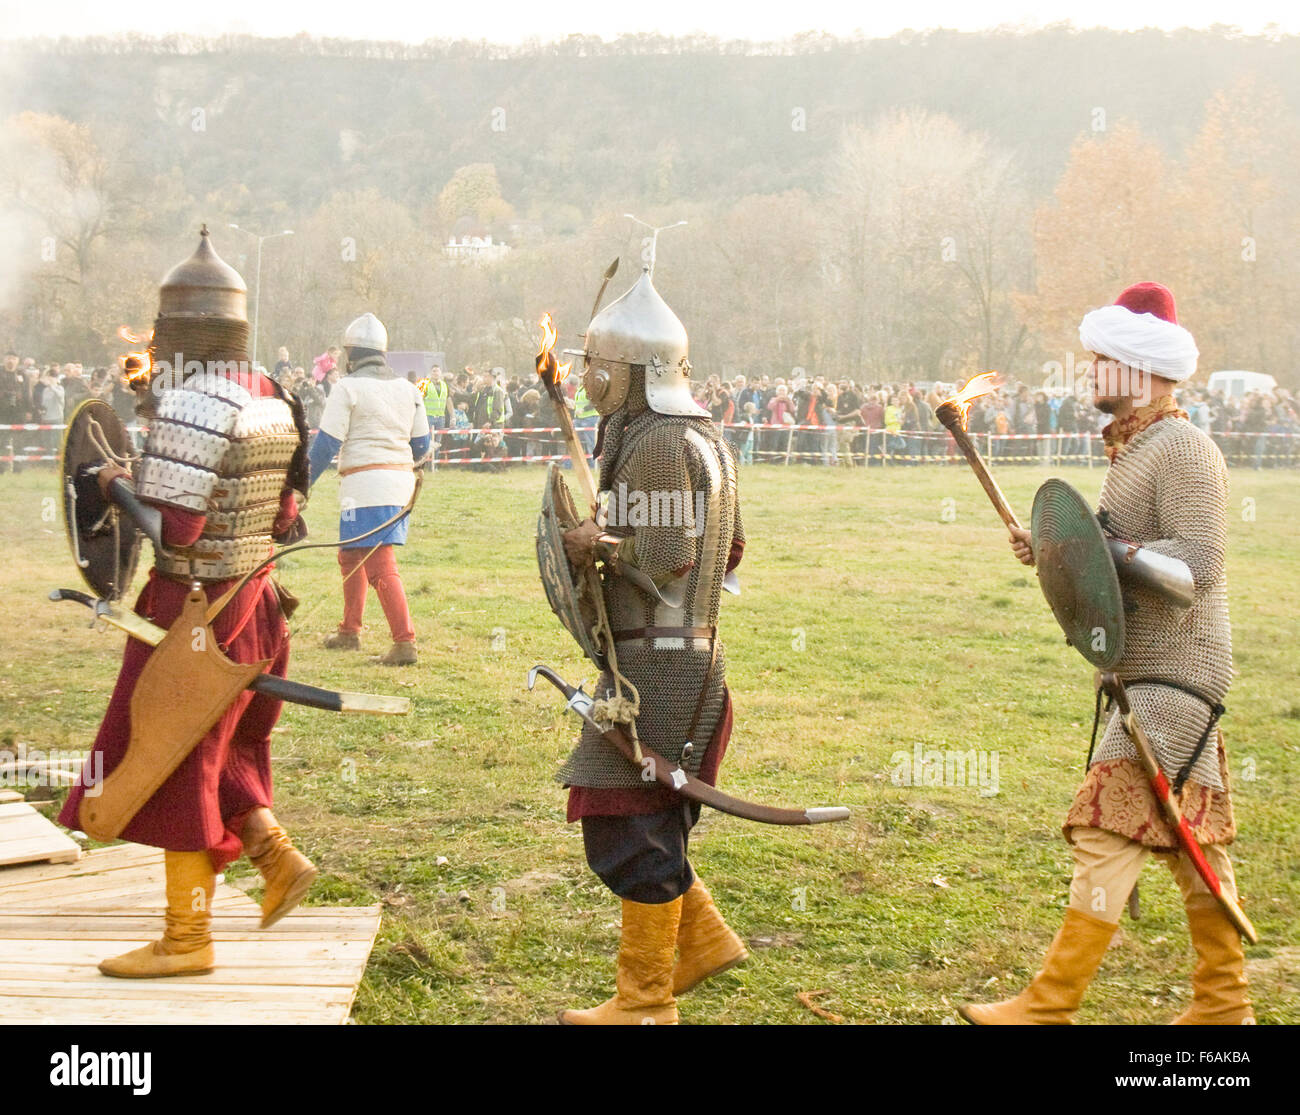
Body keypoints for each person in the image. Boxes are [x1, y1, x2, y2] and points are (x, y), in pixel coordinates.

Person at [962, 282, 1251, 1026]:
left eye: (1101, 360)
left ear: (1138, 365)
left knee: (1103, 824)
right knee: (1194, 844)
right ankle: (1224, 1005)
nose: (1088, 372)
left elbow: (1197, 564)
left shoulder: (1182, 447)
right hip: (1151, 668)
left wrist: (1102, 545)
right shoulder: (1138, 450)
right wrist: (1061, 550)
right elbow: (1112, 569)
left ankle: (1049, 1006)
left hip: (1178, 674)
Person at [58, 227, 316, 977]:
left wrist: (112, 485)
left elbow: (175, 528)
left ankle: (186, 937)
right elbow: (286, 510)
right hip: (257, 598)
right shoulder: (272, 393)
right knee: (220, 747)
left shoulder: (196, 403)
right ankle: (274, 858)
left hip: (193, 609)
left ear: (180, 330)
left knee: (165, 757)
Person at [557, 267, 748, 1025]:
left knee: (627, 819)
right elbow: (726, 550)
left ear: (632, 370)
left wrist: (591, 545)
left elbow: (670, 551)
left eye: (597, 363)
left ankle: (645, 1002)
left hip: (665, 665)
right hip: (671, 656)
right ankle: (699, 942)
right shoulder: (688, 434)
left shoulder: (666, 440)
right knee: (637, 816)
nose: (587, 376)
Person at [308, 313, 430, 666]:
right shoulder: (408, 390)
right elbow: (422, 445)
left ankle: (405, 641)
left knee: (378, 561)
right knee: (350, 554)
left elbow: (327, 444)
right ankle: (349, 631)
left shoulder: (346, 388)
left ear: (350, 355)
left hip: (365, 484)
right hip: (396, 482)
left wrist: (302, 484)